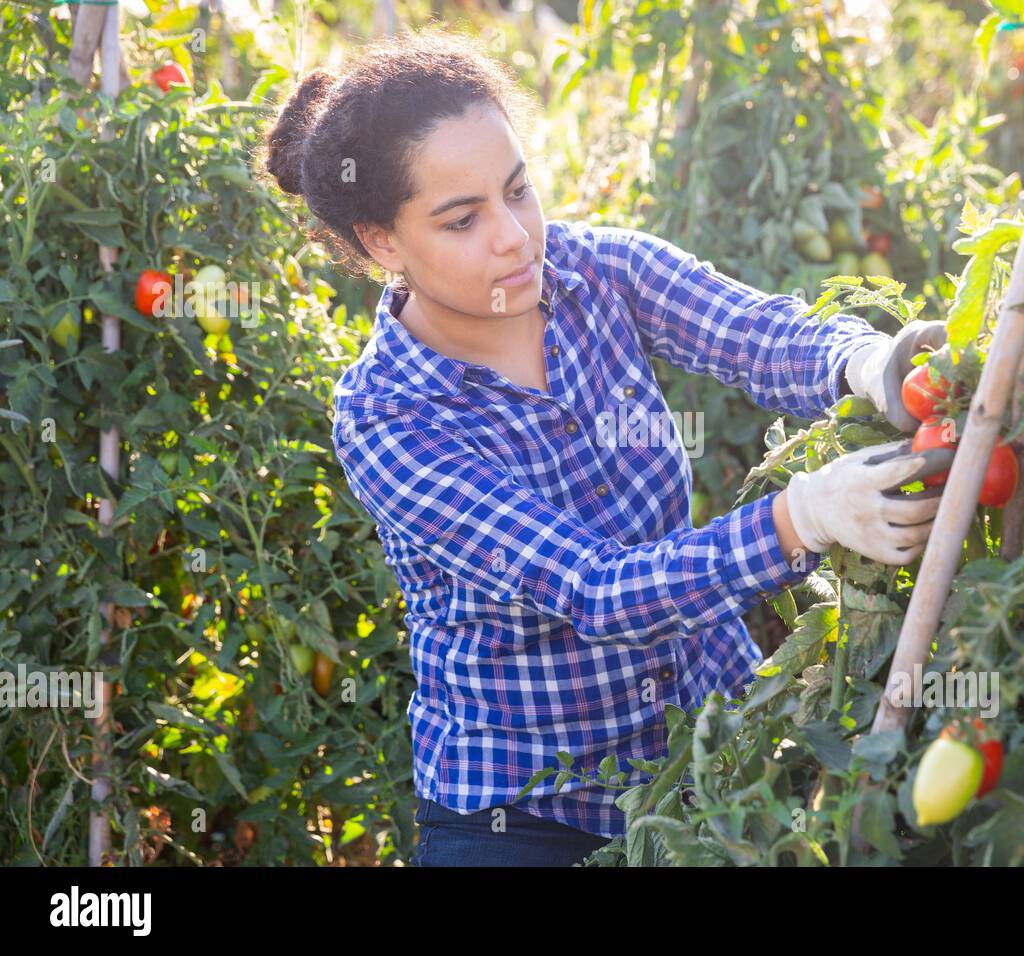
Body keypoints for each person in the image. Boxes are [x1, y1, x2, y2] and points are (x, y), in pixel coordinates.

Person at [262, 27, 950, 867]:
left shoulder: (596, 272)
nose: (514, 236)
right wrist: (801, 516)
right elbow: (595, 590)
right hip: (529, 808)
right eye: (462, 219)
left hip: (710, 747)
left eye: (518, 191)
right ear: (382, 242)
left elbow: (750, 332)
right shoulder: (390, 418)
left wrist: (866, 364)